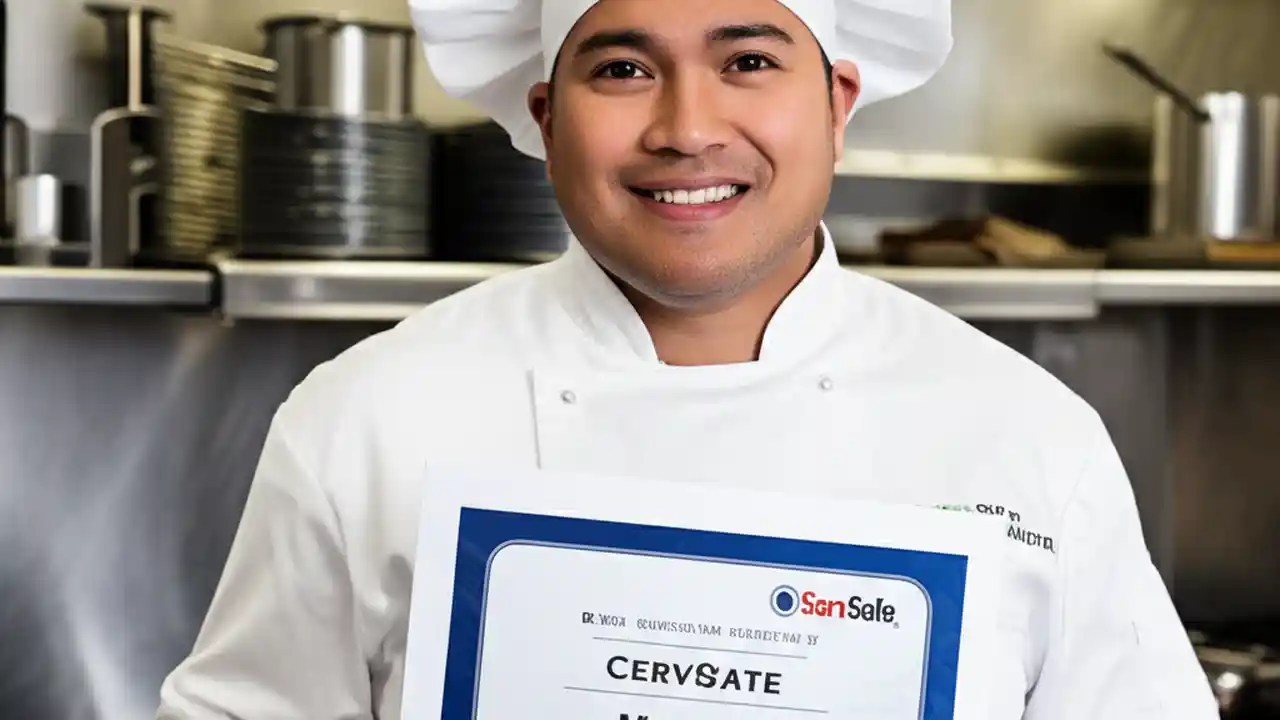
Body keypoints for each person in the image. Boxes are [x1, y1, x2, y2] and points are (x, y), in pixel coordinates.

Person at [156, 0, 1219, 718]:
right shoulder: (365, 419)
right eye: (621, 68)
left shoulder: (1027, 435)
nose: (685, 126)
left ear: (835, 106)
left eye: (747, 60)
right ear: (544, 117)